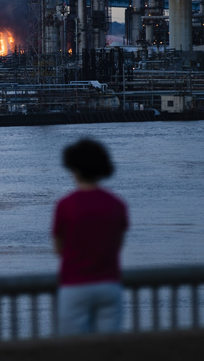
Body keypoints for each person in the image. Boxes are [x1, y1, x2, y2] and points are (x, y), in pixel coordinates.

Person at [51, 138, 129, 336]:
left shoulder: (65, 205)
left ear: (74, 169)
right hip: (109, 285)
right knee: (107, 347)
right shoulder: (117, 204)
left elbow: (59, 248)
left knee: (74, 348)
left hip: (75, 285)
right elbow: (118, 244)